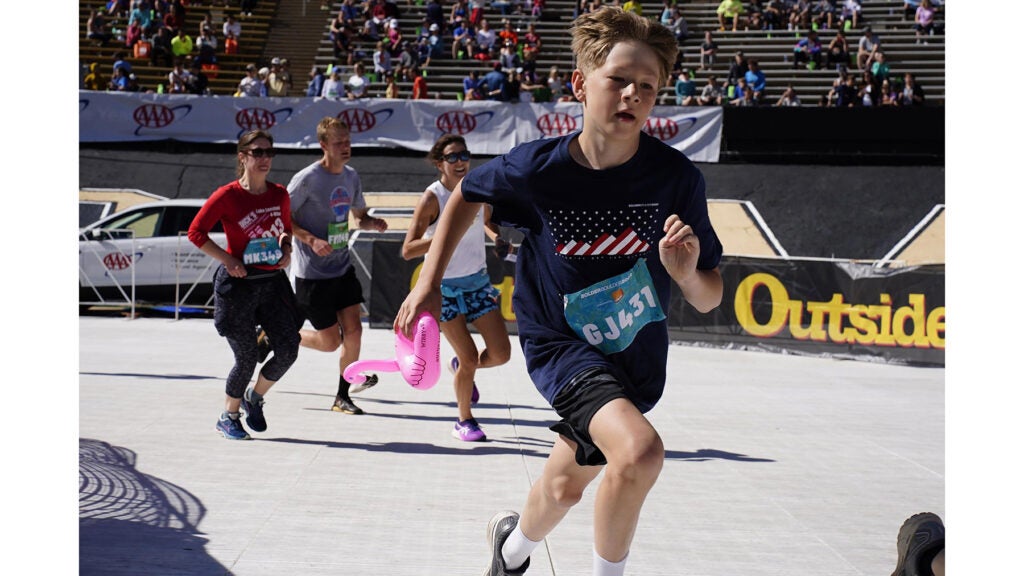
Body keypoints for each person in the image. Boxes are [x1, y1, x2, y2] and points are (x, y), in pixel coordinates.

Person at [394, 7, 723, 576]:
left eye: (647, 87)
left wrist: (687, 271)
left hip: (636, 357)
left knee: (566, 487)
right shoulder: (537, 168)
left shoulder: (675, 178)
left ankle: (510, 552)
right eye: (618, 79)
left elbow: (708, 297)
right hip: (560, 347)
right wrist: (427, 282)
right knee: (639, 452)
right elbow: (466, 195)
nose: (632, 95)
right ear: (580, 84)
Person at [187, 130, 301, 441]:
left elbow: (286, 229)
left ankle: (255, 398)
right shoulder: (227, 196)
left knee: (289, 349)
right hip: (238, 286)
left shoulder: (279, 194)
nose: (264, 158)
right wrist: (227, 259)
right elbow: (196, 233)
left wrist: (287, 249)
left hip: (272, 283)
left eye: (268, 152)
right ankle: (229, 416)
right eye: (257, 152)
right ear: (243, 156)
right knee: (247, 356)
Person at [401, 135, 511, 441]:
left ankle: (462, 366)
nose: (460, 161)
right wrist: (446, 235)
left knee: (501, 354)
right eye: (452, 157)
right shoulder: (432, 198)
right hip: (443, 288)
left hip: (477, 281)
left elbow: (486, 222)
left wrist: (496, 238)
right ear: (440, 164)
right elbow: (408, 249)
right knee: (470, 357)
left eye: (464, 155)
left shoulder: (477, 189)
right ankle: (464, 421)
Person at [286, 118, 389, 416]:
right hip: (313, 275)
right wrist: (310, 239)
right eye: (338, 143)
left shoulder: (352, 176)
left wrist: (373, 223)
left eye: (347, 141)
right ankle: (275, 334)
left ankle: (342, 396)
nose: (346, 147)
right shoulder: (307, 179)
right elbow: (283, 218)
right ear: (323, 145)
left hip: (342, 268)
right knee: (330, 343)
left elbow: (360, 217)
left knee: (354, 331)